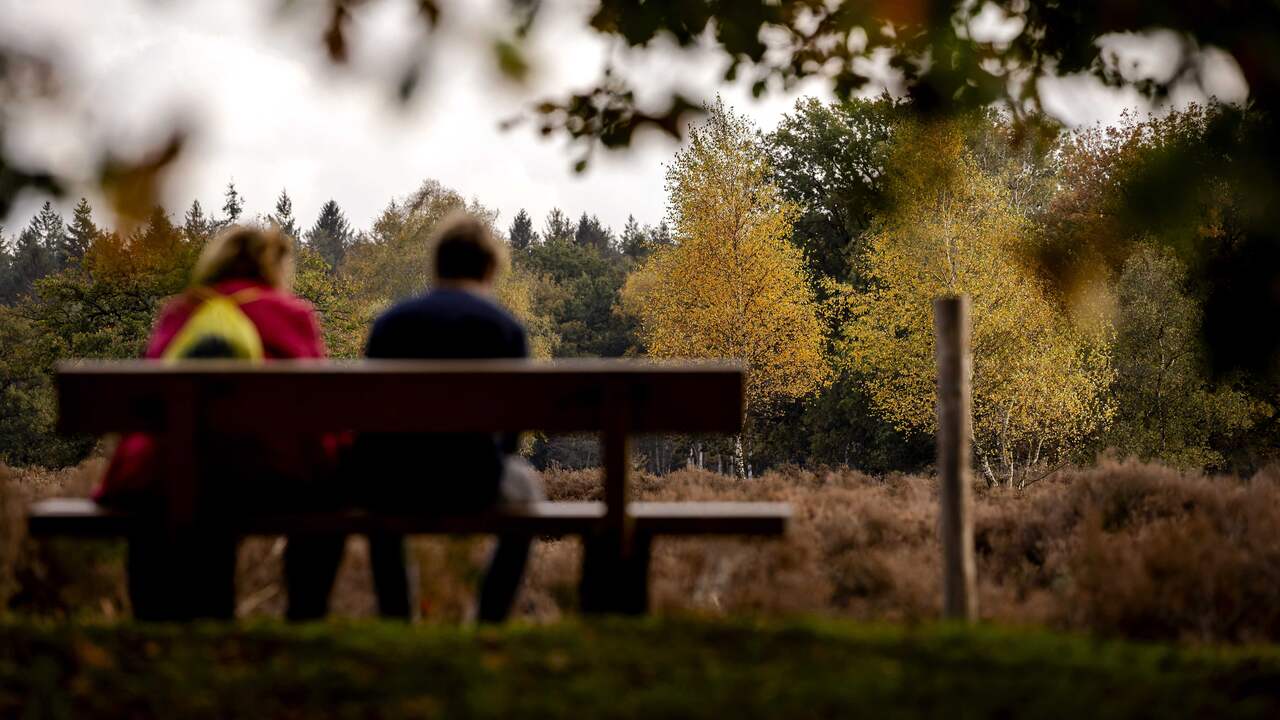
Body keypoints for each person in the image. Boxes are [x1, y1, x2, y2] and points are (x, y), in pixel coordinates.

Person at [289, 211, 543, 623]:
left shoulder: (391, 323)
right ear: (489, 268)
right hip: (472, 482)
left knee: (371, 472)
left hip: (390, 482)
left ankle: (396, 615)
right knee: (528, 490)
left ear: (438, 265)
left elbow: (370, 419)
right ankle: (490, 619)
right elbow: (511, 435)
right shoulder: (506, 329)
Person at [95, 224, 337, 620]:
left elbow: (149, 409)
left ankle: (157, 621)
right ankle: (305, 616)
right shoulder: (292, 315)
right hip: (273, 477)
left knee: (173, 494)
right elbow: (319, 412)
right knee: (327, 503)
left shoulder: (182, 312)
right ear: (272, 267)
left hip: (178, 475)